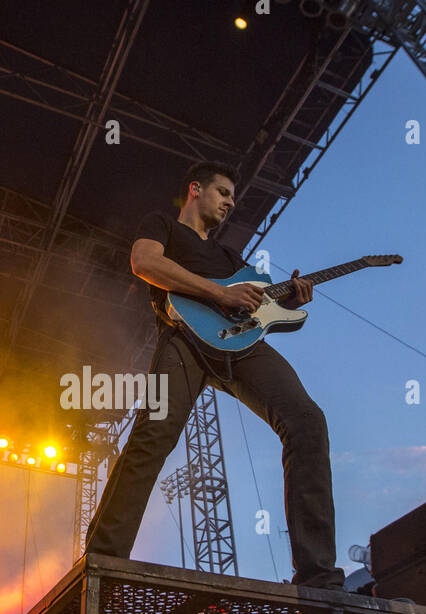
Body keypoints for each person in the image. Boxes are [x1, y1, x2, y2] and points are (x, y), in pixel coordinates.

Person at [84, 161, 346, 590]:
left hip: (241, 347)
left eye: (232, 198)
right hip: (184, 339)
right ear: (195, 189)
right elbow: (144, 262)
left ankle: (319, 577)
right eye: (223, 192)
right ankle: (102, 564)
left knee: (307, 421)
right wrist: (219, 292)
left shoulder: (229, 257)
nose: (229, 202)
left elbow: (258, 304)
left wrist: (291, 296)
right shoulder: (162, 225)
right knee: (151, 440)